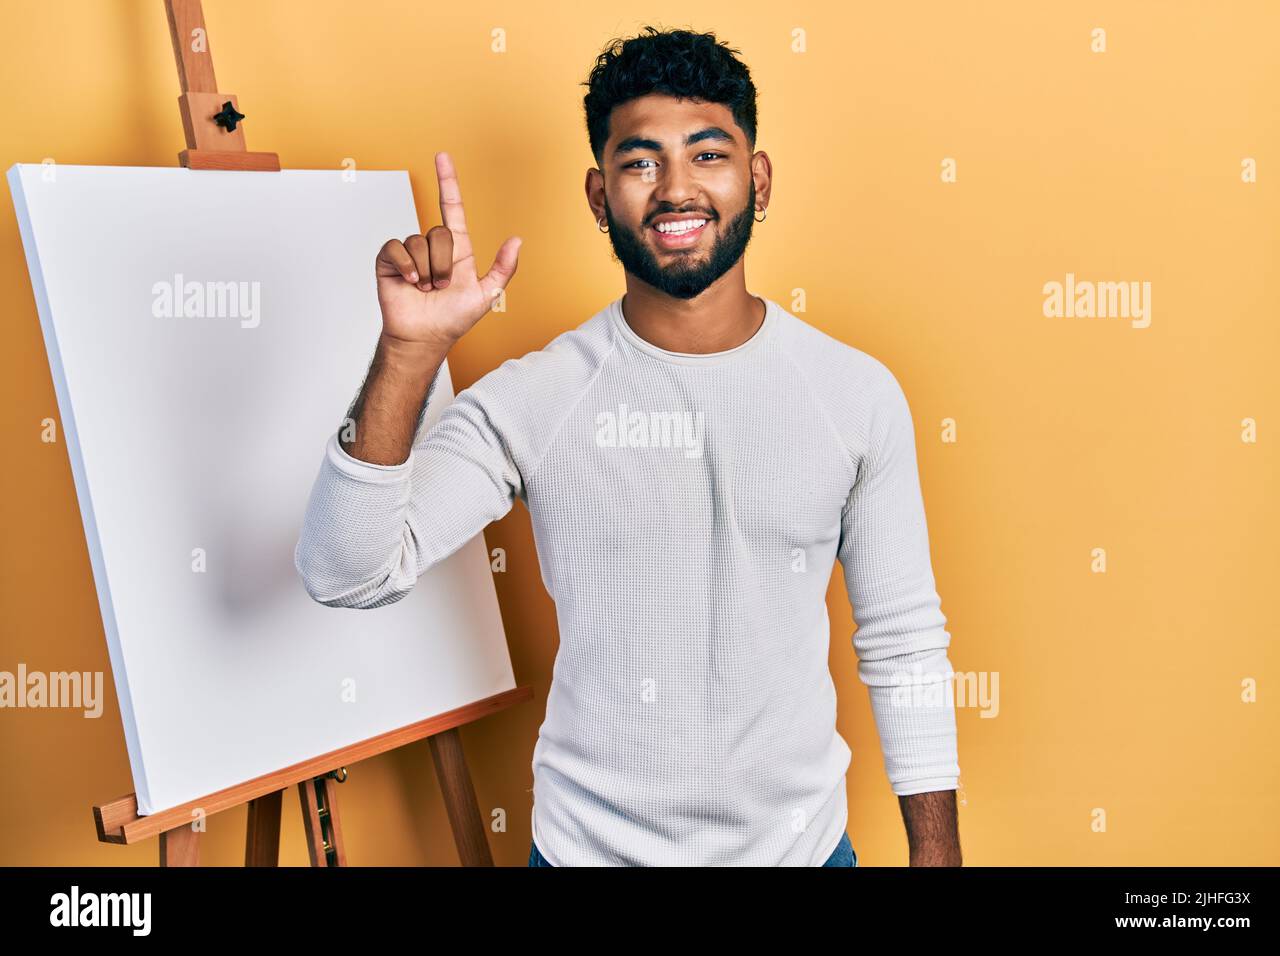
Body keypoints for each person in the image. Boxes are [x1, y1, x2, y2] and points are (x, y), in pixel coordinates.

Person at [294, 26, 962, 867]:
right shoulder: (539, 397)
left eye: (708, 155)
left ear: (758, 180)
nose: (675, 189)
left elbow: (905, 647)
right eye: (640, 161)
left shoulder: (856, 396)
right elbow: (344, 572)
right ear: (598, 194)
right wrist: (408, 355)